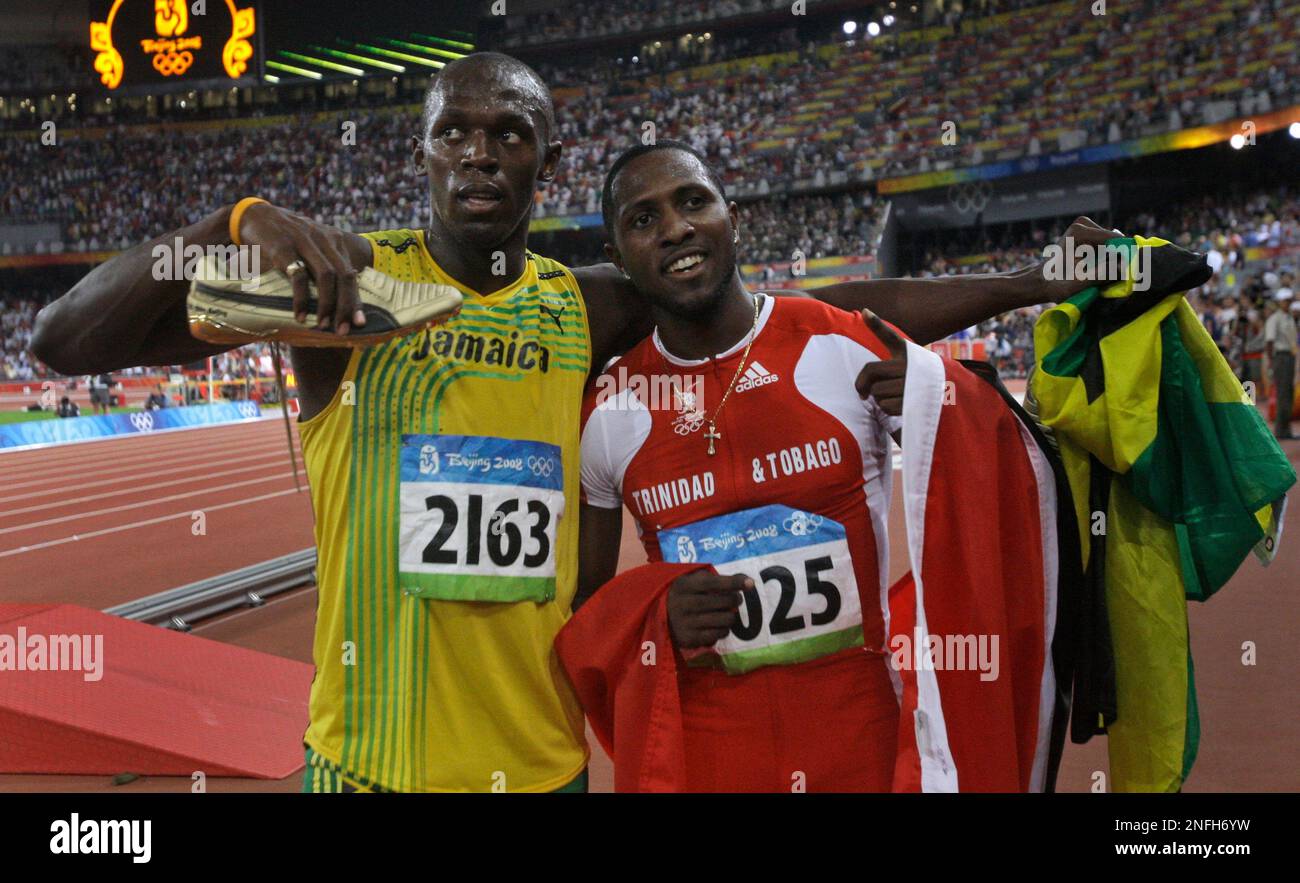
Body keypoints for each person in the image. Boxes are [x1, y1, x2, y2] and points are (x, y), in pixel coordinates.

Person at [31, 57, 1101, 794]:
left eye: (510, 134)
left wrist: (1029, 281)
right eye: (456, 132)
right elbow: (66, 340)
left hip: (543, 768)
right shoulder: (341, 289)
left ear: (545, 157)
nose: (481, 154)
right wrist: (229, 221)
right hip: (369, 763)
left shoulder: (587, 304)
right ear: (425, 153)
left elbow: (822, 313)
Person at [559, 141, 1109, 792]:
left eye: (692, 200)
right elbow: (587, 611)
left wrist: (943, 396)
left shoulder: (836, 344)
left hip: (862, 747)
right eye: (643, 219)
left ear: (730, 214)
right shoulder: (609, 411)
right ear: (617, 258)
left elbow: (997, 474)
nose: (676, 227)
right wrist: (654, 613)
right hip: (708, 760)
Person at [1264, 294, 1297, 439]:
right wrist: (1272, 362)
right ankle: (1280, 431)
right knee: (1283, 394)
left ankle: (1286, 430)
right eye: (1285, 301)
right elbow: (1269, 342)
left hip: (1290, 356)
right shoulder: (1274, 318)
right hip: (1280, 357)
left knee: (1288, 394)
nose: (1287, 303)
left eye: (1289, 301)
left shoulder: (1289, 318)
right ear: (1279, 302)